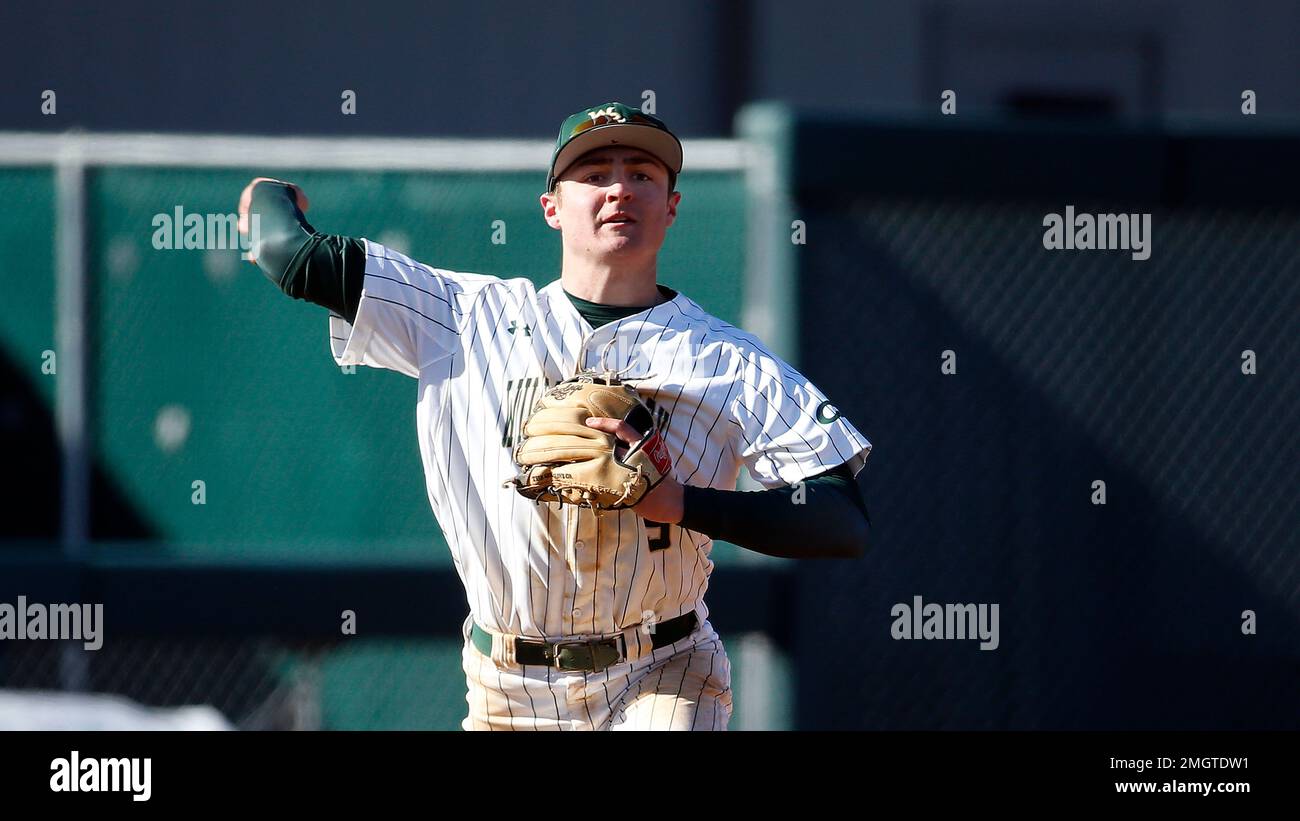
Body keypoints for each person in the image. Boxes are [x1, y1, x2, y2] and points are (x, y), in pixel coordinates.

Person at [237, 101, 872, 731]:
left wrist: (683, 502)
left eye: (643, 175)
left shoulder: (725, 360)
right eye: (595, 174)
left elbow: (839, 518)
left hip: (661, 674)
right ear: (552, 207)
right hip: (504, 688)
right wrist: (267, 194)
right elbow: (283, 251)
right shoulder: (462, 317)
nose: (619, 188)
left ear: (672, 206)